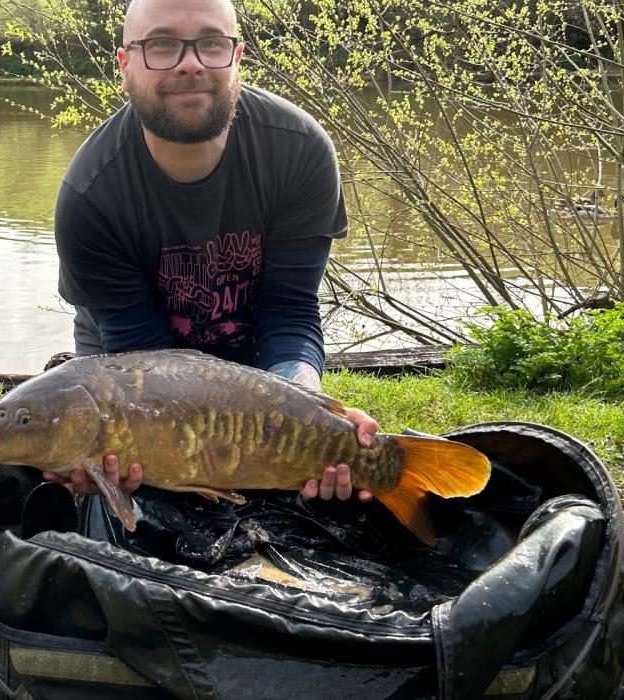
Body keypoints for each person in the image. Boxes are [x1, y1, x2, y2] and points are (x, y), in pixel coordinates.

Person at [46, 0, 379, 505]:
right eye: (161, 44)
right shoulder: (90, 194)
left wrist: (305, 404)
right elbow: (145, 353)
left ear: (237, 56)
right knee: (131, 477)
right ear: (125, 65)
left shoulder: (300, 151)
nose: (190, 62)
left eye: (210, 43)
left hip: (258, 372)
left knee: (310, 473)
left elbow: (289, 312)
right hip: (129, 382)